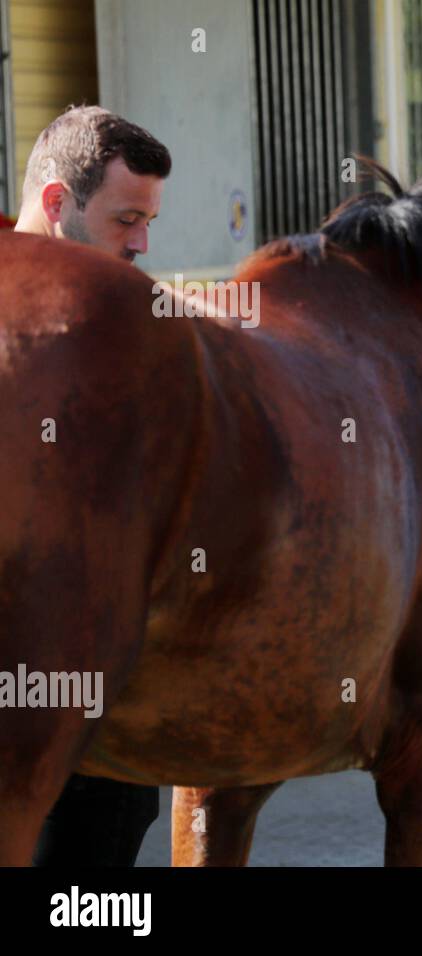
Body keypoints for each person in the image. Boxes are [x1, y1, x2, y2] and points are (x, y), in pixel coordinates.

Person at [13, 104, 172, 865]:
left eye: (149, 221)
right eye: (125, 219)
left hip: (99, 748)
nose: (142, 243)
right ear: (55, 205)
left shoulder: (129, 325)